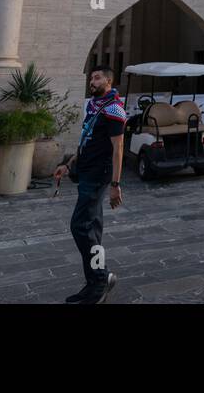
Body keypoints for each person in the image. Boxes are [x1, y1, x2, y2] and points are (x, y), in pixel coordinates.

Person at [54, 66, 125, 304]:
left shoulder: (114, 109)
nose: (92, 82)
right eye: (91, 78)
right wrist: (69, 164)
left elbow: (118, 149)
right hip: (85, 170)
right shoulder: (95, 105)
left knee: (80, 226)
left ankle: (100, 278)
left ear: (108, 80)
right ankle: (95, 281)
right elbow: (86, 137)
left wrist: (116, 183)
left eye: (97, 78)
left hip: (98, 174)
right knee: (91, 229)